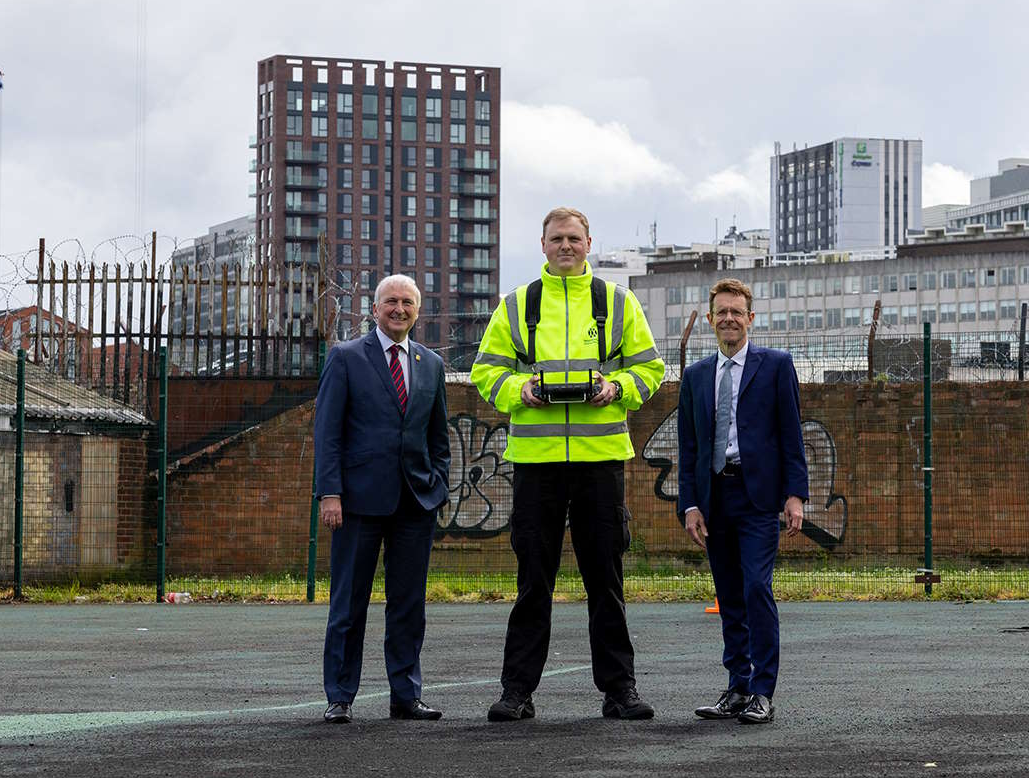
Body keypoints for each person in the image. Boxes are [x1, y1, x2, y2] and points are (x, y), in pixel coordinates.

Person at [471, 206, 665, 721]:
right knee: (534, 579)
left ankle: (619, 689)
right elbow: (485, 372)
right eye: (557, 238)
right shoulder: (516, 306)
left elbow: (651, 367)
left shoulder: (617, 303)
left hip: (600, 461)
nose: (565, 246)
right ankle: (517, 691)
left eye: (573, 238)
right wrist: (521, 389)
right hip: (536, 462)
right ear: (542, 244)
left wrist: (615, 387)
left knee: (606, 577)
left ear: (588, 242)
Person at [312, 273, 451, 723]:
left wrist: (439, 484)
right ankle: (340, 697)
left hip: (416, 502)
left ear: (417, 311)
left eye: (407, 302)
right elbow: (328, 433)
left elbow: (438, 436)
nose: (399, 309)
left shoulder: (430, 364)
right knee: (348, 603)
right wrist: (329, 493)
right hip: (357, 503)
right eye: (391, 301)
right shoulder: (346, 357)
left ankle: (405, 696)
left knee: (409, 604)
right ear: (375, 309)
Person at [676, 277, 808, 724]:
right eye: (721, 311)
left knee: (756, 588)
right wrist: (689, 505)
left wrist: (795, 495)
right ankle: (736, 687)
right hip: (715, 499)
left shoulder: (775, 366)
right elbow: (689, 447)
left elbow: (792, 435)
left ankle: (762, 691)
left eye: (737, 311)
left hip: (758, 500)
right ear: (710, 319)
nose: (729, 318)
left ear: (750, 319)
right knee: (729, 594)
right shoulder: (695, 376)